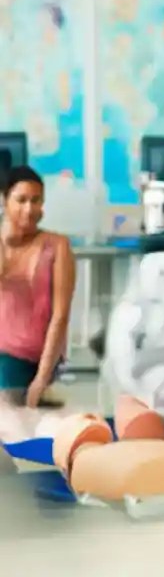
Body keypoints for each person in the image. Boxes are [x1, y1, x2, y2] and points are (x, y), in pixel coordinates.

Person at [0, 167, 75, 406]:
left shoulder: (57, 245)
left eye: (36, 200)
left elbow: (60, 315)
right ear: (5, 201)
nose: (29, 209)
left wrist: (42, 378)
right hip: (5, 358)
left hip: (37, 359)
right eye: (20, 200)